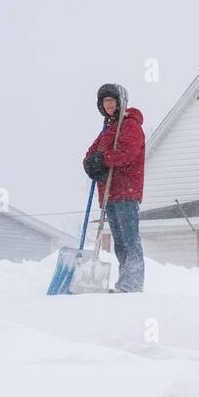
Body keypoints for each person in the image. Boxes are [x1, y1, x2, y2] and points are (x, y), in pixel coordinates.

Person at [82, 83, 146, 292]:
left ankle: (133, 283)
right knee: (119, 242)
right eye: (104, 101)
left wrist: (104, 159)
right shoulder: (107, 130)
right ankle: (124, 283)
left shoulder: (130, 125)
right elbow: (92, 153)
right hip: (109, 193)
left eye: (111, 100)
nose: (108, 105)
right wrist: (91, 164)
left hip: (127, 191)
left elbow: (128, 152)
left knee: (130, 240)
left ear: (120, 102)